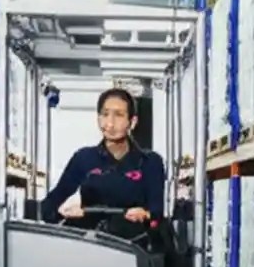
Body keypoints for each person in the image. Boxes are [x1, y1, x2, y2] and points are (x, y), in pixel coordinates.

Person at [39, 87, 167, 225]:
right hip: (92, 243)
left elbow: (157, 214)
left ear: (133, 121)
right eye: (105, 114)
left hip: (134, 242)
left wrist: (146, 215)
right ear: (98, 119)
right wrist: (63, 213)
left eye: (118, 115)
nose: (110, 123)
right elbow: (48, 208)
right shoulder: (83, 158)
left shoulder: (150, 162)